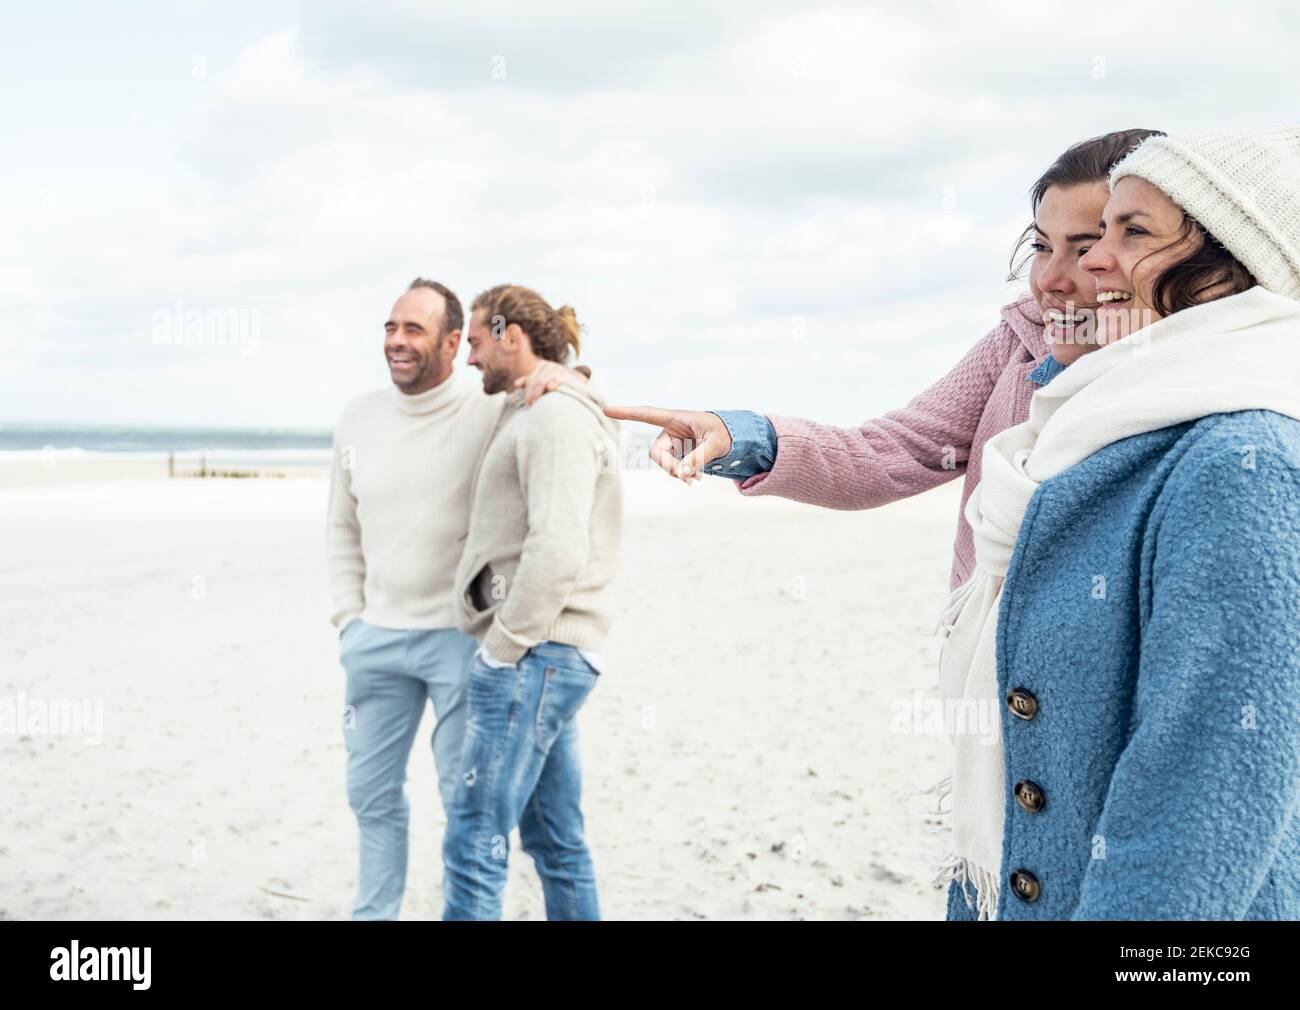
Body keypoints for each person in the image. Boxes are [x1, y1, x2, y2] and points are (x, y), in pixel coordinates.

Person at [940, 125, 1300, 920]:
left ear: (1235, 268)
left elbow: (1203, 800)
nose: (1094, 261)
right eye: (1100, 231)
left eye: (1131, 232)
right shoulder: (1093, 422)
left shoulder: (1245, 460)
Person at [605, 129, 1162, 591]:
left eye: (1085, 248)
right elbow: (889, 453)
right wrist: (737, 436)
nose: (1050, 280)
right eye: (1041, 246)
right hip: (991, 682)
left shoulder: (1198, 385)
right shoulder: (1018, 342)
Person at [326, 277, 589, 920]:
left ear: (451, 342)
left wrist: (569, 376)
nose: (396, 341)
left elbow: (559, 392)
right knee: (371, 796)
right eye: (390, 327)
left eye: (413, 330)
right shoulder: (357, 418)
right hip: (375, 641)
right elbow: (342, 525)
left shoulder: (488, 410)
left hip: (459, 642)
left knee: (465, 805)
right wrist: (347, 620)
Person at [441, 284, 623, 921]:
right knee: (556, 841)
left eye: (473, 343)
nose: (467, 360)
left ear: (508, 335)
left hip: (534, 657)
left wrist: (502, 649)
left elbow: (558, 548)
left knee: (473, 839)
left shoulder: (556, 418)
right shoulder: (535, 406)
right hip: (544, 658)